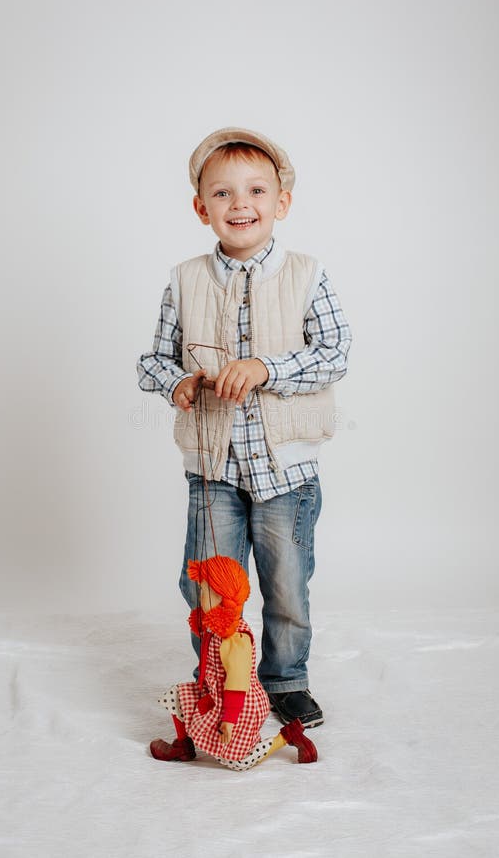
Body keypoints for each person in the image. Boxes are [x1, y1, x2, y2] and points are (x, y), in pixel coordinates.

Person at [137, 127, 352, 728]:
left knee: (286, 585)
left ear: (282, 202)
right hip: (213, 469)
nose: (240, 204)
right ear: (201, 207)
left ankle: (285, 680)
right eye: (222, 193)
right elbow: (152, 361)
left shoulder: (307, 275)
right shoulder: (184, 280)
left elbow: (334, 353)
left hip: (288, 470)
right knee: (209, 585)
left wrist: (265, 368)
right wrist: (177, 382)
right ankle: (218, 680)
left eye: (257, 191)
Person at [150, 555, 317, 770]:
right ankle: (183, 746)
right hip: (216, 692)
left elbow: (237, 683)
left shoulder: (234, 639)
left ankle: (286, 737)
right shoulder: (217, 628)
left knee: (238, 760)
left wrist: (229, 720)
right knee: (178, 695)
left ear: (220, 595)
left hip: (239, 704)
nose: (200, 596)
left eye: (203, 591)